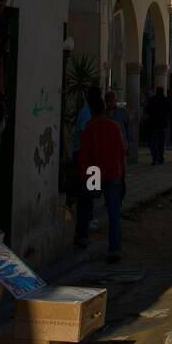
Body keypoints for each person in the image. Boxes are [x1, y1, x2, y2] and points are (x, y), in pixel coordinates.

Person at [77, 97, 127, 262]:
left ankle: (84, 236)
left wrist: (83, 174)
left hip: (94, 172)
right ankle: (115, 248)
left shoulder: (90, 127)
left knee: (86, 202)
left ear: (92, 112)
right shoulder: (115, 127)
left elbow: (84, 154)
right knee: (114, 212)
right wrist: (121, 174)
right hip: (113, 172)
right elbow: (121, 151)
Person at [72, 85, 103, 246]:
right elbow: (85, 136)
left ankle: (89, 220)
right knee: (86, 193)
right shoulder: (86, 112)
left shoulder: (91, 112)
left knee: (91, 192)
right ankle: (83, 228)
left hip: (92, 159)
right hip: (85, 158)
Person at [105, 90, 130, 199]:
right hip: (108, 148)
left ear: (115, 101)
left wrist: (127, 144)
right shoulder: (104, 114)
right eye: (108, 102)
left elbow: (128, 129)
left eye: (112, 101)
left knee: (121, 173)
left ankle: (120, 196)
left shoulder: (122, 112)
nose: (110, 103)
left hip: (121, 147)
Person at [146, 85, 170, 164]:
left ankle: (155, 157)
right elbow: (168, 112)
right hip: (162, 124)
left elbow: (148, 110)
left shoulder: (152, 100)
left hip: (153, 124)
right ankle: (160, 157)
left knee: (153, 142)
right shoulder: (166, 100)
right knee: (161, 142)